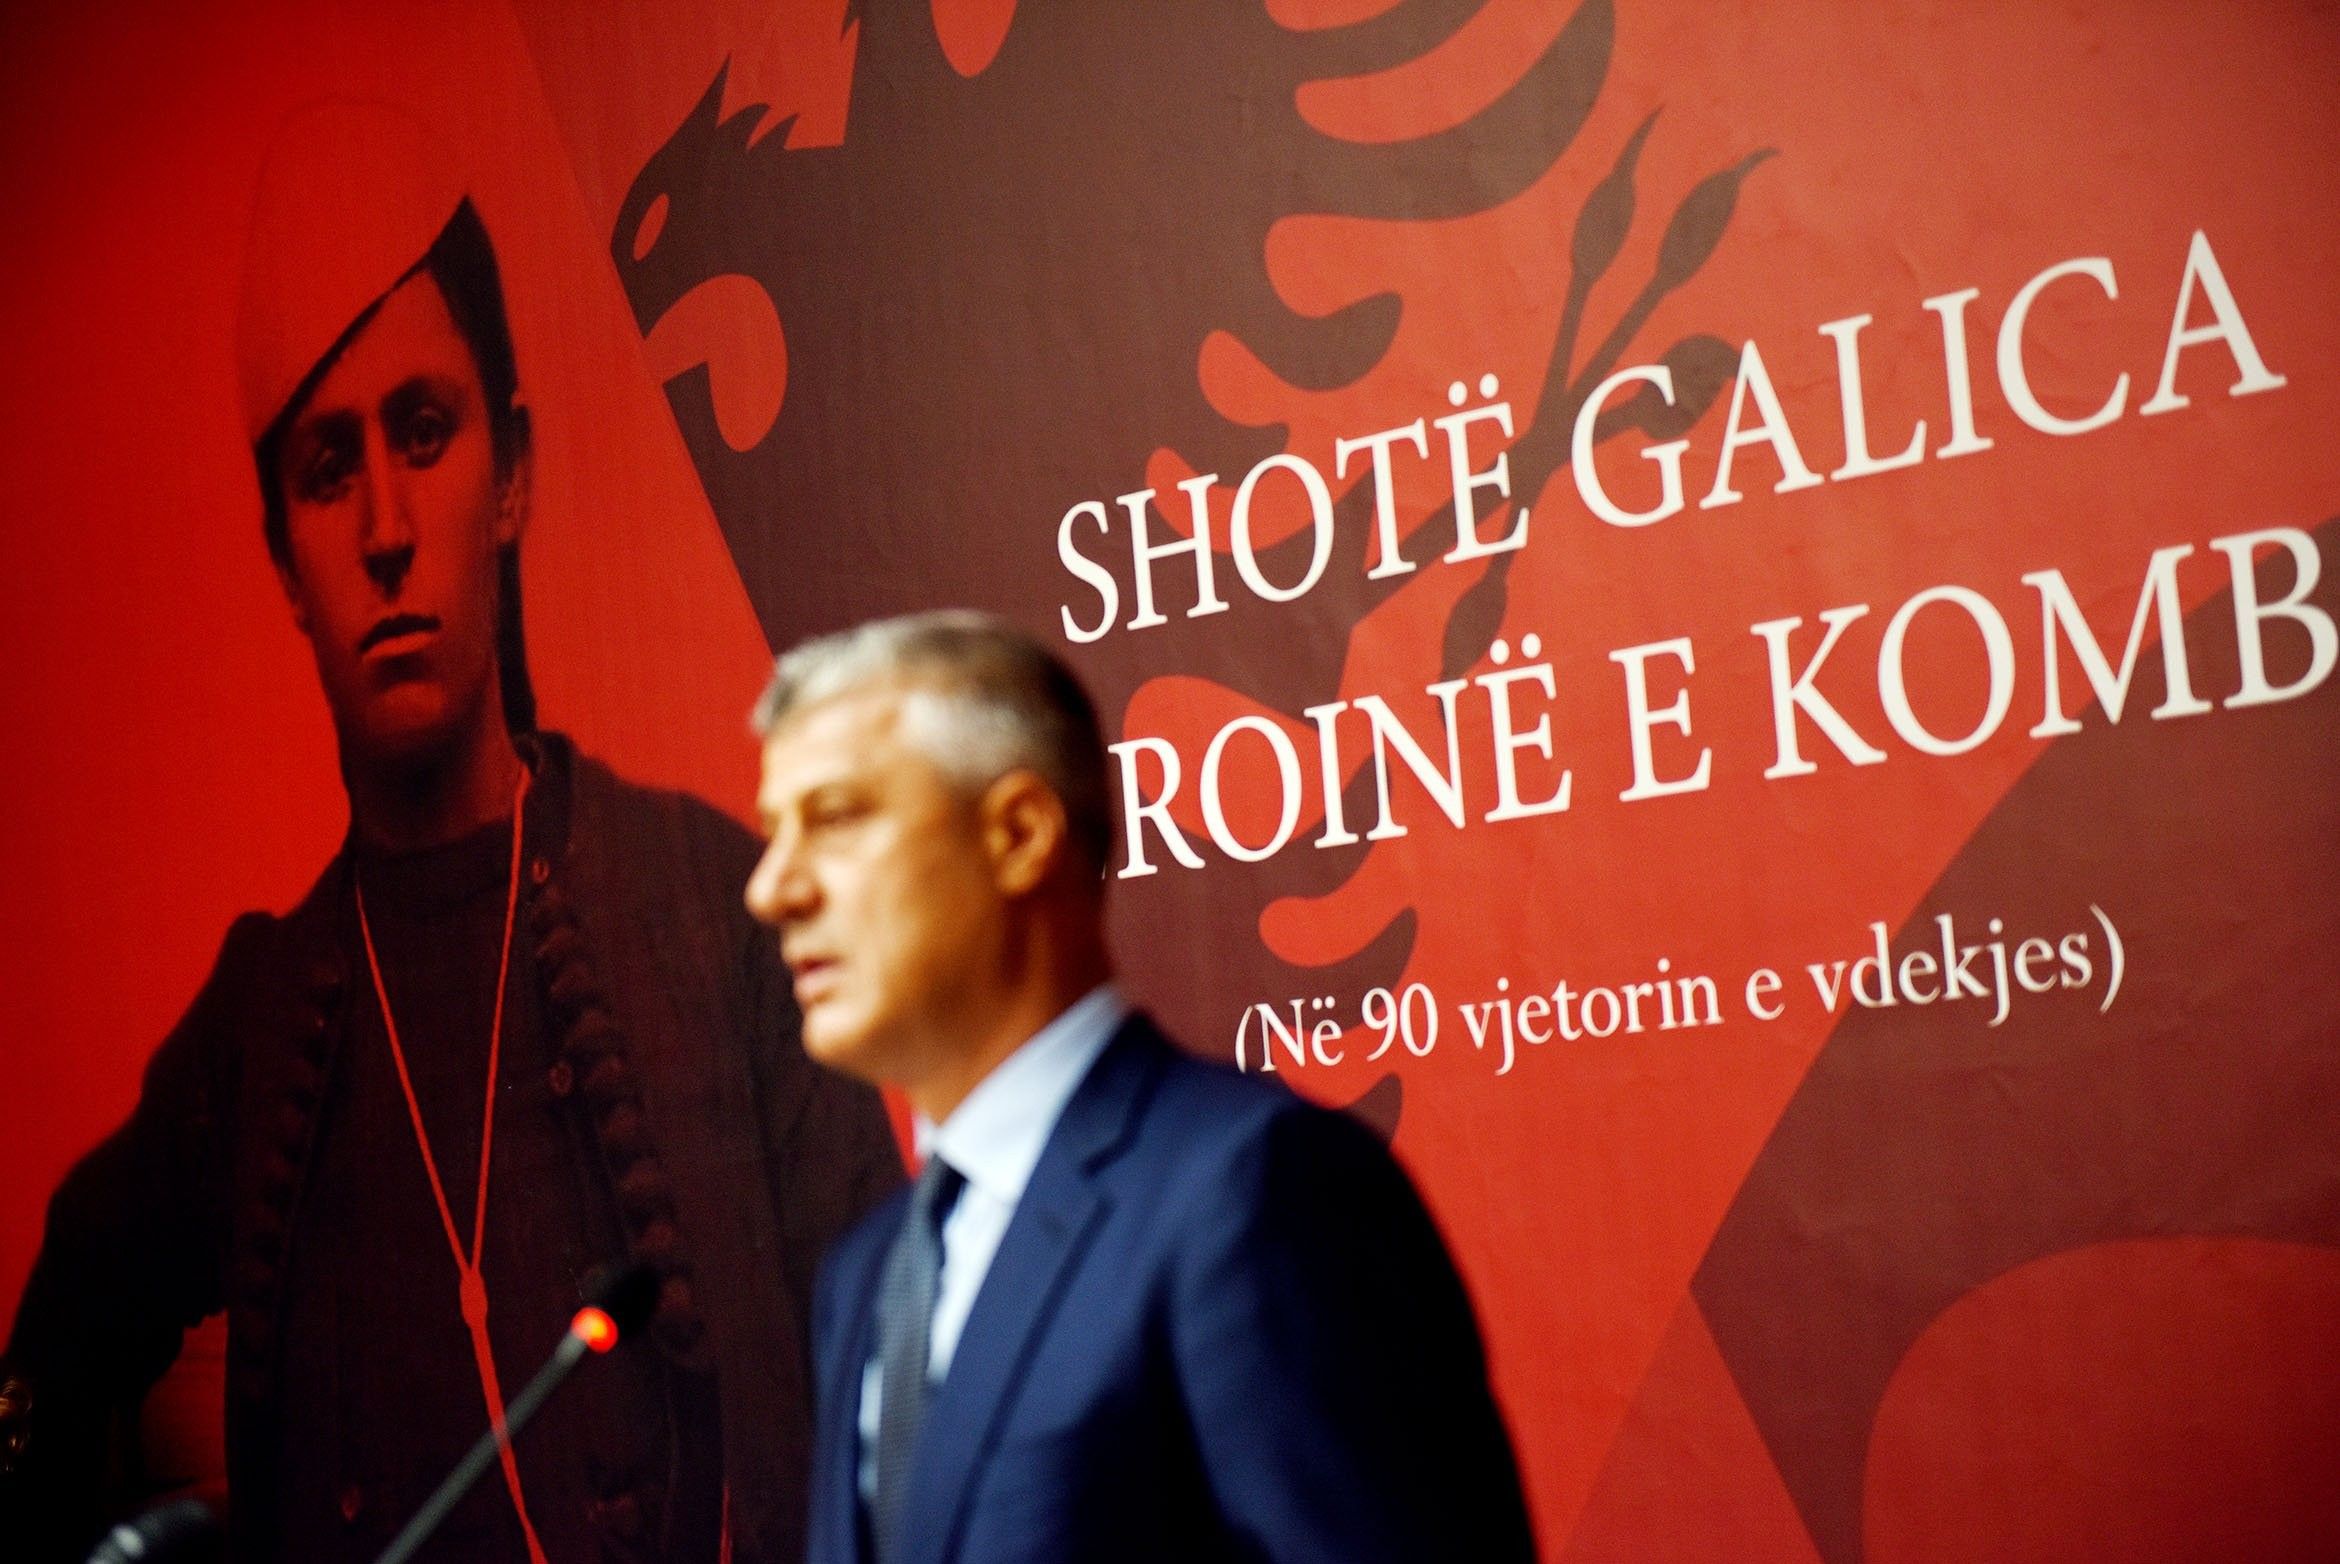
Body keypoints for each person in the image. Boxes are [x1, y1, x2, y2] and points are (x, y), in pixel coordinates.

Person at [0, 102, 902, 1562]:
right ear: (283, 559)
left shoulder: (724, 912)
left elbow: (905, 1409)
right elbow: (45, 1372)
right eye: (327, 467)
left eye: (423, 433)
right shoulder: (260, 1031)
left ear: (514, 471)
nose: (384, 527)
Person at [744, 611, 1536, 1564]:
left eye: (835, 818)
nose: (771, 889)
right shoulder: (866, 1275)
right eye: (773, 834)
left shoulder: (1256, 1192)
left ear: (1019, 835)